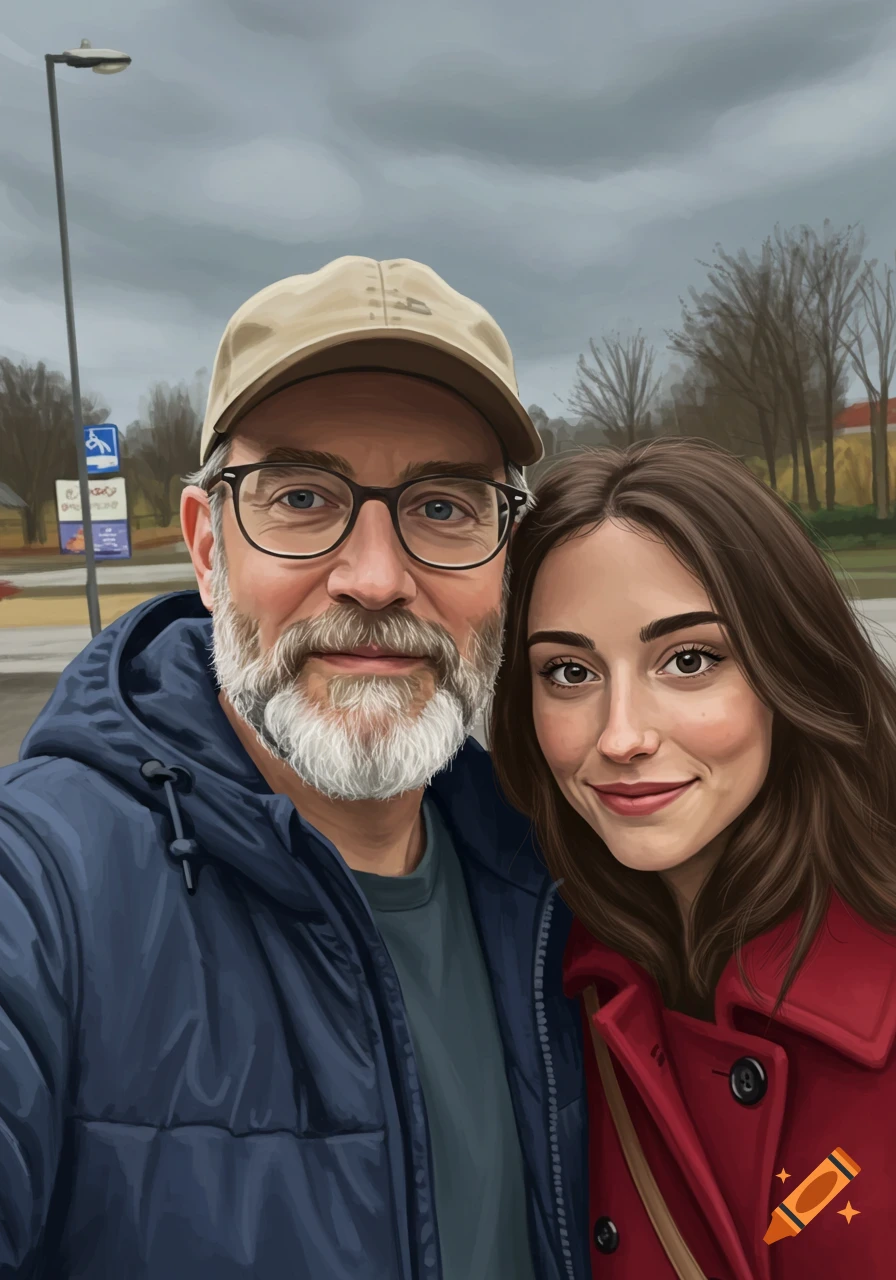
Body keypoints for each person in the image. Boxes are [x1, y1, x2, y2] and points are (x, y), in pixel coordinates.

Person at [0, 256, 589, 1280]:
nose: (372, 576)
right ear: (204, 544)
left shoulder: (565, 877)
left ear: (506, 556)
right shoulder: (43, 889)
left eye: (443, 504)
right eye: (304, 496)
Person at [490, 437, 896, 1280]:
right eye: (568, 671)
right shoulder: (536, 989)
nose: (622, 735)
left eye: (689, 660)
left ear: (792, 666)